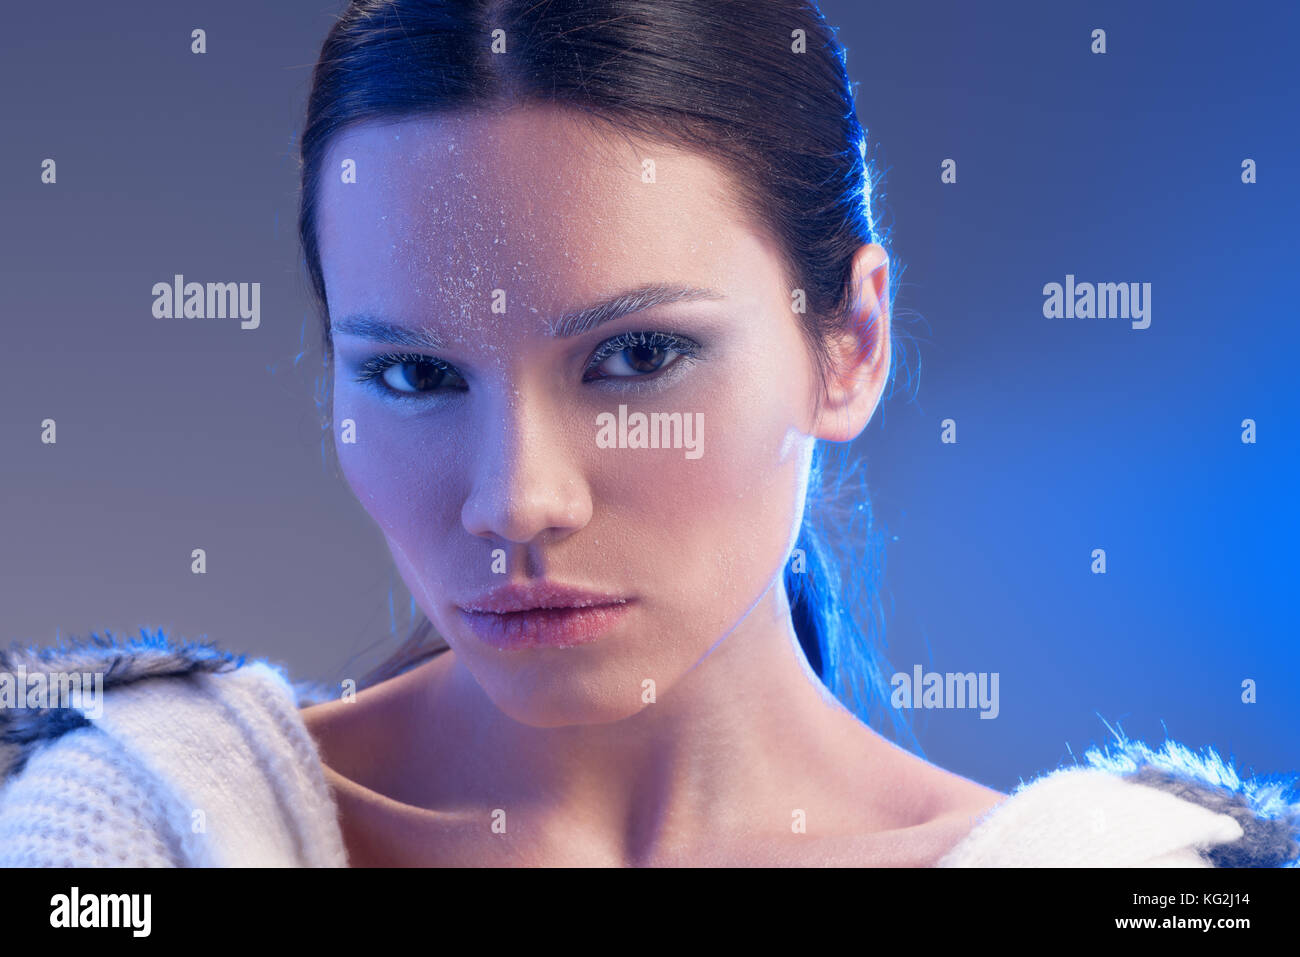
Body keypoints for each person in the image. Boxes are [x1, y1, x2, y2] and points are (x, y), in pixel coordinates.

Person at [2, 0, 1296, 868]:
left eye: (634, 356)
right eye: (410, 372)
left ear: (849, 343)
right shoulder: (139, 832)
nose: (515, 498)